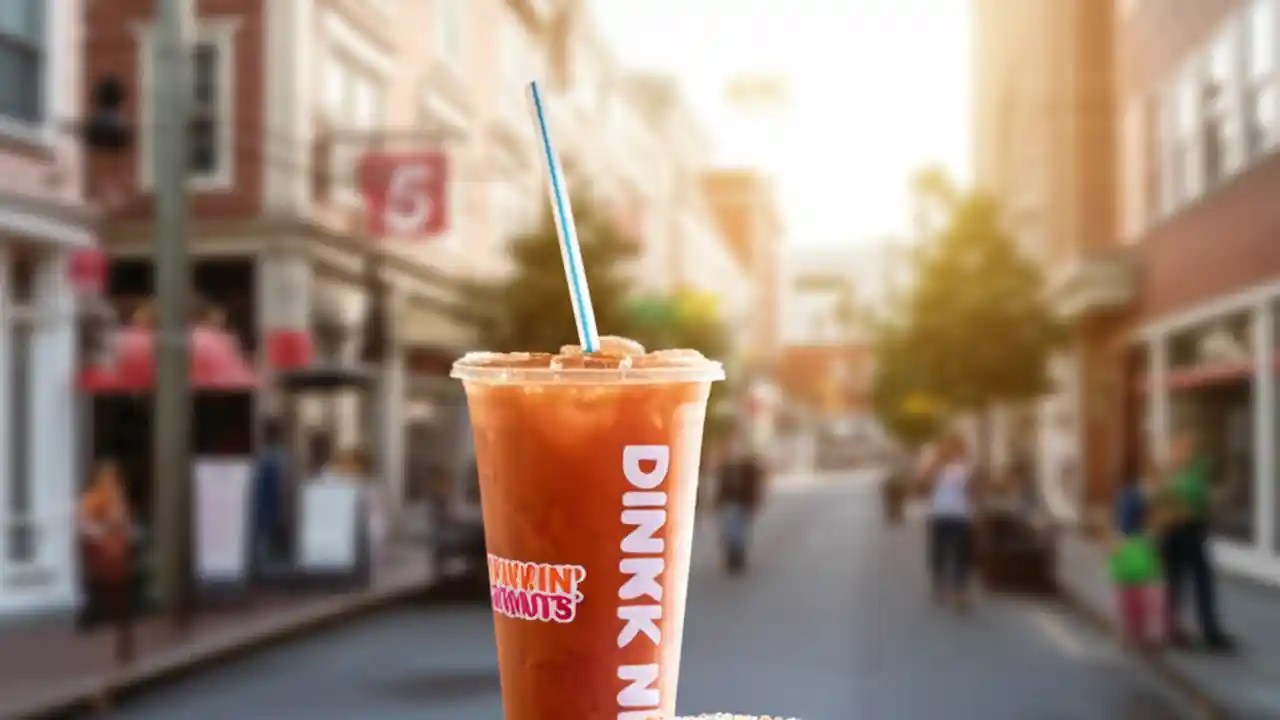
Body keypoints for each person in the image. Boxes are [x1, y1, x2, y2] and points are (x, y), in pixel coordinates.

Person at [1161, 428, 1235, 652]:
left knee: (1200, 582)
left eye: (1190, 447)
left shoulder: (1197, 469)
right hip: (1176, 532)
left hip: (1192, 531)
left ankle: (1207, 631)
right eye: (1183, 447)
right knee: (1178, 583)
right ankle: (1176, 630)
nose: (1187, 451)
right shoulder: (1173, 475)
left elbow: (1211, 492)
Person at [78, 460, 135, 662]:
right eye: (106, 476)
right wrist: (105, 531)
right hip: (103, 554)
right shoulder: (92, 499)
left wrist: (125, 531)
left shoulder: (117, 497)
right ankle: (94, 624)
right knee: (103, 592)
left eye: (113, 476)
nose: (110, 480)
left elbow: (125, 522)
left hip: (117, 553)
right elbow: (86, 526)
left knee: (119, 595)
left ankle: (122, 639)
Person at [1111, 460, 1166, 648]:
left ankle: (1130, 632)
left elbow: (1118, 525)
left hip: (1127, 545)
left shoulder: (1125, 495)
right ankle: (1147, 634)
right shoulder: (1142, 497)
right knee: (1146, 594)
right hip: (1140, 546)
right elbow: (1153, 524)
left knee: (1129, 594)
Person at [923, 434, 976, 612]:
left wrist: (977, 513)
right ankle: (940, 586)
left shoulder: (967, 467)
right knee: (939, 552)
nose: (952, 451)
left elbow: (973, 490)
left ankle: (959, 593)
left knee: (961, 555)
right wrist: (933, 464)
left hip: (961, 515)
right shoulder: (936, 467)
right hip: (939, 514)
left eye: (956, 448)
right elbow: (922, 484)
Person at [714, 436, 765, 574]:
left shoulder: (750, 467)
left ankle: (738, 557)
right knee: (729, 531)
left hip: (743, 503)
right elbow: (720, 485)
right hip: (729, 502)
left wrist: (755, 502)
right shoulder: (726, 466)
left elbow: (756, 486)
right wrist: (717, 502)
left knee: (740, 533)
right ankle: (731, 556)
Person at [251, 417, 289, 576]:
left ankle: (264, 563)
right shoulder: (277, 455)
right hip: (269, 498)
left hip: (267, 498)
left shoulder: (267, 455)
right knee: (267, 530)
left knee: (265, 530)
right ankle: (265, 562)